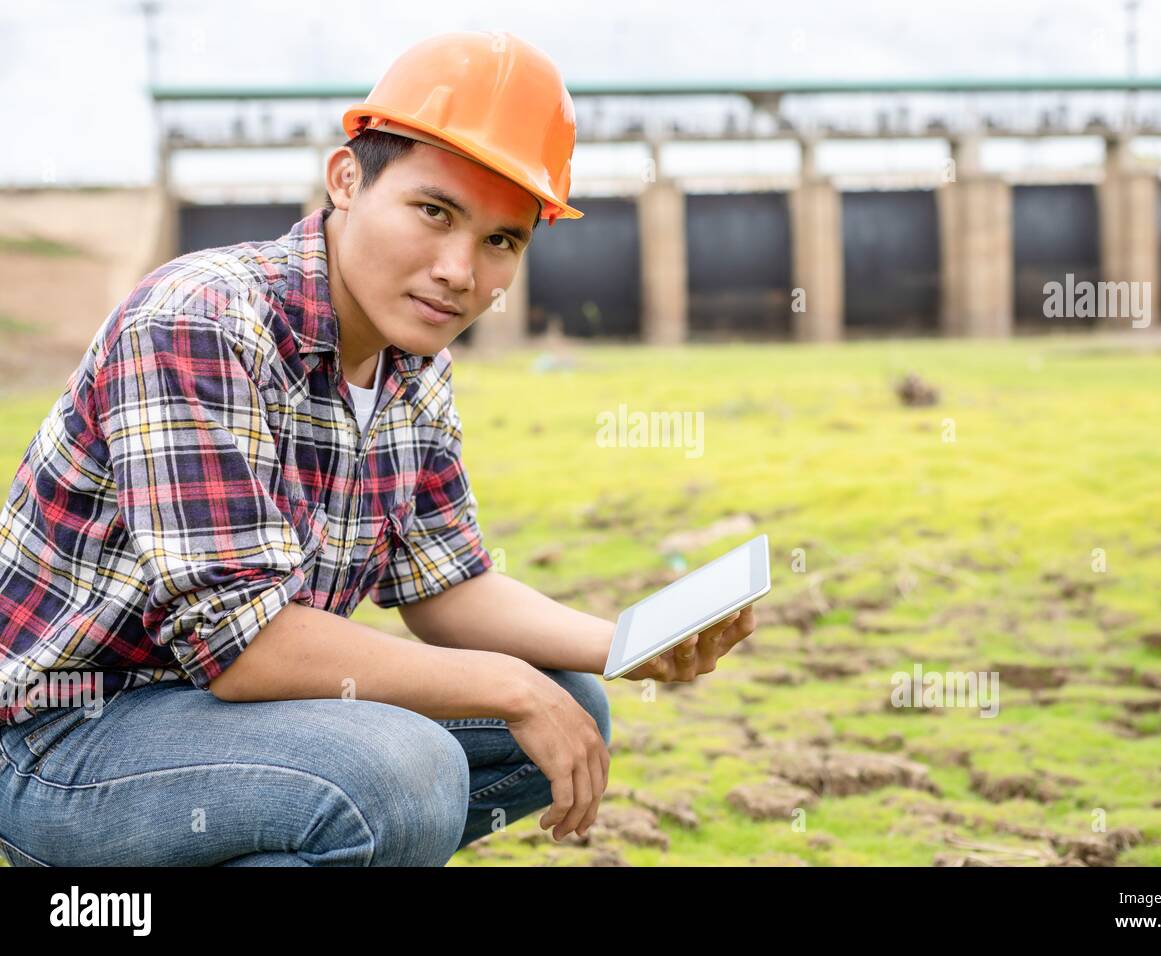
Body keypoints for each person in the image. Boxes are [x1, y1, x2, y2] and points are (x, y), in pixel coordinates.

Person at [0, 31, 756, 867]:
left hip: (216, 721)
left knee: (569, 702)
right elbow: (243, 648)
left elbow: (446, 587)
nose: (459, 272)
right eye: (435, 212)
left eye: (501, 240)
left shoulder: (415, 360)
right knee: (408, 769)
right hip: (63, 741)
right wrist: (508, 687)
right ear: (347, 179)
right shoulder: (200, 320)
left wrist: (628, 644)